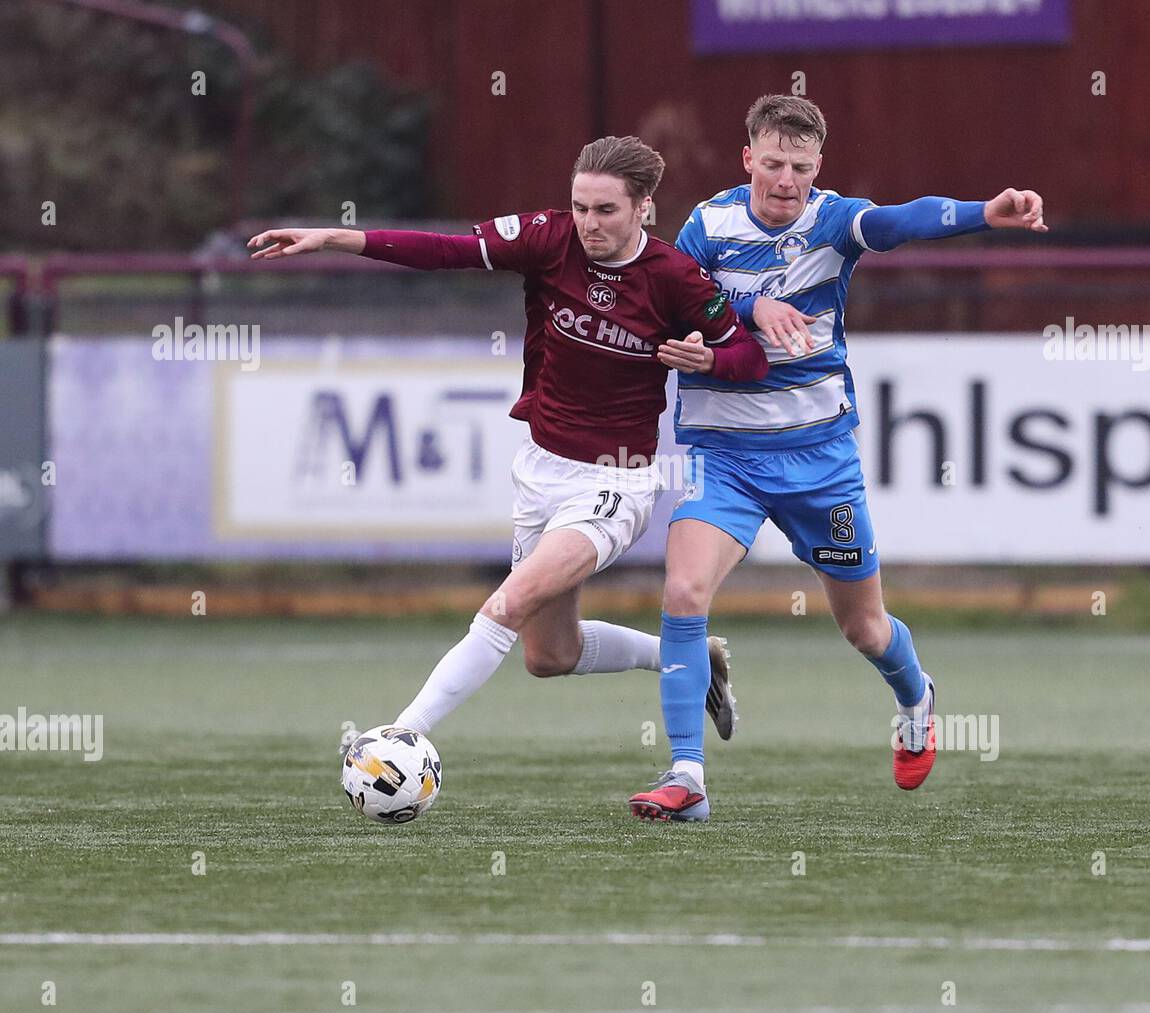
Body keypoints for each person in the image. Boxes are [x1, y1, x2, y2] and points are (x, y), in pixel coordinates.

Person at [248, 135, 769, 761]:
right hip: (541, 469)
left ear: (643, 209)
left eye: (605, 210)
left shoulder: (674, 279)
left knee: (509, 600)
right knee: (550, 656)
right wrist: (334, 237)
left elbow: (751, 356)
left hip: (616, 481)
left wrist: (712, 357)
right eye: (580, 206)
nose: (588, 222)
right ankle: (689, 657)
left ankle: (399, 737)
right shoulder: (548, 239)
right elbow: (446, 251)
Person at [628, 96, 1046, 823]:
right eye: (772, 163)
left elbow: (903, 219)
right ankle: (687, 776)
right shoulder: (709, 224)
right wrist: (740, 315)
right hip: (721, 455)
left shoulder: (833, 222)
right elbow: (671, 298)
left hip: (818, 459)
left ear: (817, 169)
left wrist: (987, 210)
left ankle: (916, 698)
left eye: (800, 166)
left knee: (865, 628)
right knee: (685, 594)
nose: (784, 178)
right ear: (747, 159)